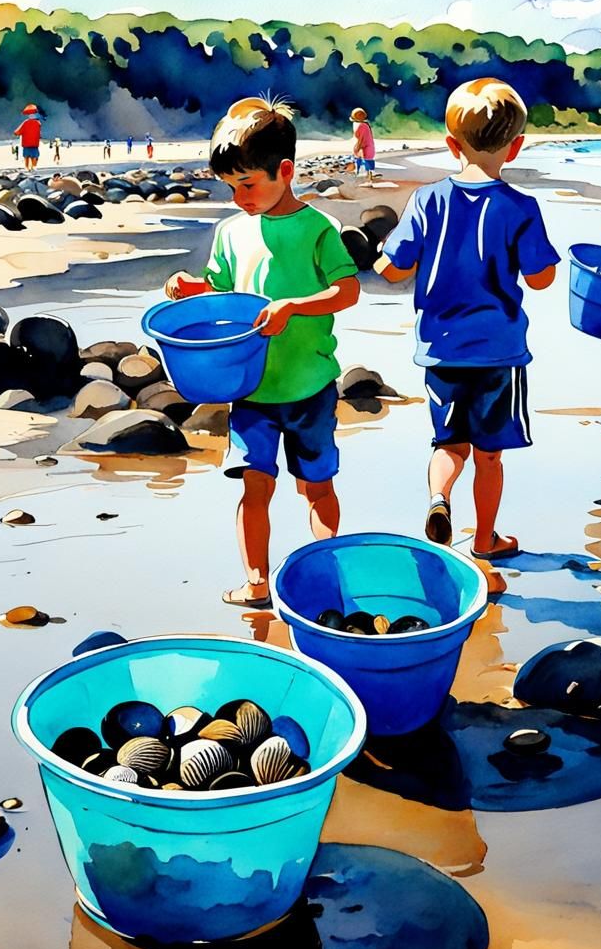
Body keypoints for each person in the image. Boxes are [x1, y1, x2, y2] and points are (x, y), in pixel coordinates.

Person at [163, 96, 360, 607]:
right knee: (255, 488)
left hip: (310, 386)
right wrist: (194, 289)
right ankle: (256, 580)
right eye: (231, 186)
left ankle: (328, 577)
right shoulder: (230, 231)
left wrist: (294, 306)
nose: (238, 197)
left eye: (247, 184)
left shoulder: (316, 228)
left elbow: (347, 291)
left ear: (286, 171)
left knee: (316, 487)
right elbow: (223, 294)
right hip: (250, 388)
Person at [376, 78, 559, 558]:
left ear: (451, 144)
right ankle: (484, 540)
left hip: (440, 348)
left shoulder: (426, 199)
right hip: (499, 351)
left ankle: (439, 498)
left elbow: (394, 268)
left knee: (448, 444)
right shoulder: (521, 207)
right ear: (515, 148)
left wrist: (378, 256)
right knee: (490, 454)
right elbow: (541, 279)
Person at [350, 107, 376, 180]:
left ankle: (367, 174)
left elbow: (361, 139)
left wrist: (357, 147)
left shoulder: (362, 126)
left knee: (366, 160)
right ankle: (362, 172)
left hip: (366, 148)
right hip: (367, 147)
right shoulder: (364, 125)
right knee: (362, 159)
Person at [14, 104, 42, 171]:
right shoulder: (38, 123)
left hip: (26, 143)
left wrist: (16, 133)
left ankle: (27, 167)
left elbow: (17, 132)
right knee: (34, 156)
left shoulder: (25, 123)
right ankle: (34, 166)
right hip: (35, 143)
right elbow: (39, 134)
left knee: (26, 156)